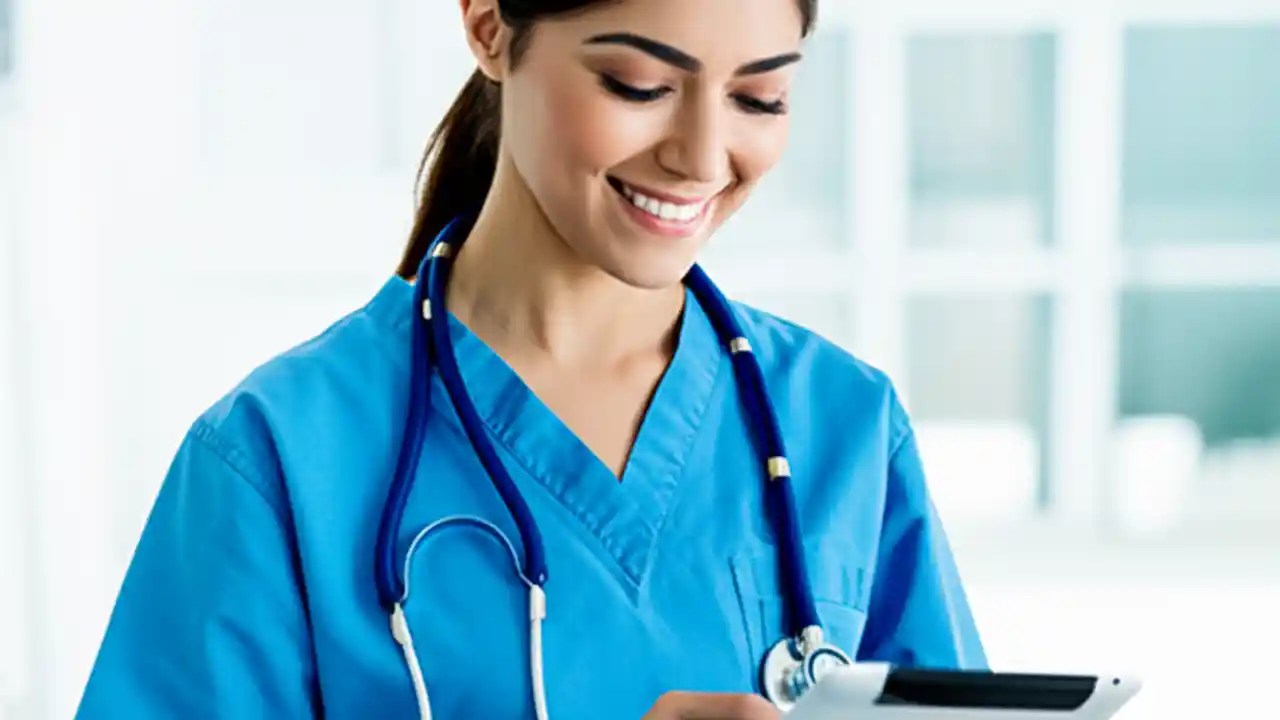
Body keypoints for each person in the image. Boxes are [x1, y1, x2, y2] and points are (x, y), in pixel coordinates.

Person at [77, 0, 986, 717]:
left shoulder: (842, 426)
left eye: (759, 98)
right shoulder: (281, 456)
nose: (703, 156)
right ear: (487, 25)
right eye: (637, 84)